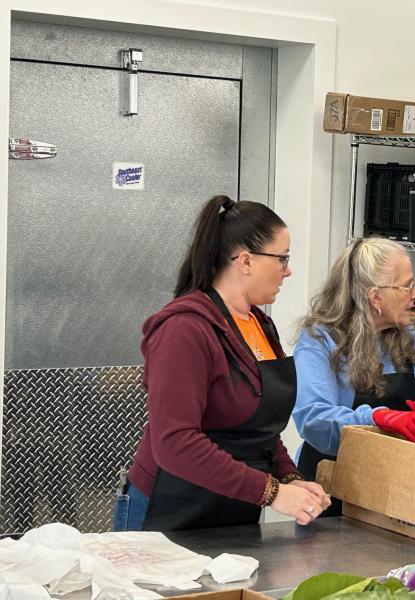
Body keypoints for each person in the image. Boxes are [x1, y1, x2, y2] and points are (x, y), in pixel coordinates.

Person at [115, 195, 330, 531]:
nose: (288, 270)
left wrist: (289, 477)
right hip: (169, 511)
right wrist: (272, 493)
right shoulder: (184, 329)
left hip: (232, 513)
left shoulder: (259, 325)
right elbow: (175, 443)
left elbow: (258, 428)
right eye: (282, 258)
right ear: (245, 261)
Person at [292, 237, 415, 514]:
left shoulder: (406, 337)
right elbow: (313, 419)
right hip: (332, 488)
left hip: (395, 487)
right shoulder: (319, 341)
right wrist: (374, 419)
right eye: (407, 286)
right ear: (375, 297)